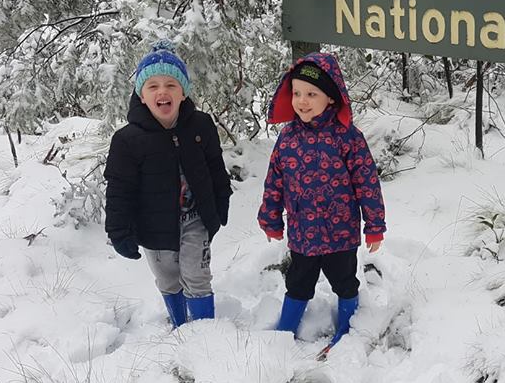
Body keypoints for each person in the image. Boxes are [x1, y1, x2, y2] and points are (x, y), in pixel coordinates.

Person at [258, 52, 386, 350]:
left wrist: (375, 225)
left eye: (311, 94)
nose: (302, 100)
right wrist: (271, 219)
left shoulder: (348, 137)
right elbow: (275, 181)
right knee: (298, 282)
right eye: (297, 93)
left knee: (344, 281)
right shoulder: (287, 138)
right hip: (303, 232)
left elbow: (367, 183)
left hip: (340, 232)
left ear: (330, 98)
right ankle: (285, 330)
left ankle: (348, 327)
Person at [104, 40, 232, 327]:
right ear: (142, 95)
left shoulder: (201, 125)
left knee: (196, 275)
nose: (163, 91)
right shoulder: (127, 140)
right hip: (153, 226)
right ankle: (180, 326)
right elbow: (119, 190)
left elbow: (215, 167)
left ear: (183, 93)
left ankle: (205, 335)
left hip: (196, 218)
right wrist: (118, 231)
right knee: (168, 277)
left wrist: (222, 201)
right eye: (153, 86)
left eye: (171, 85)